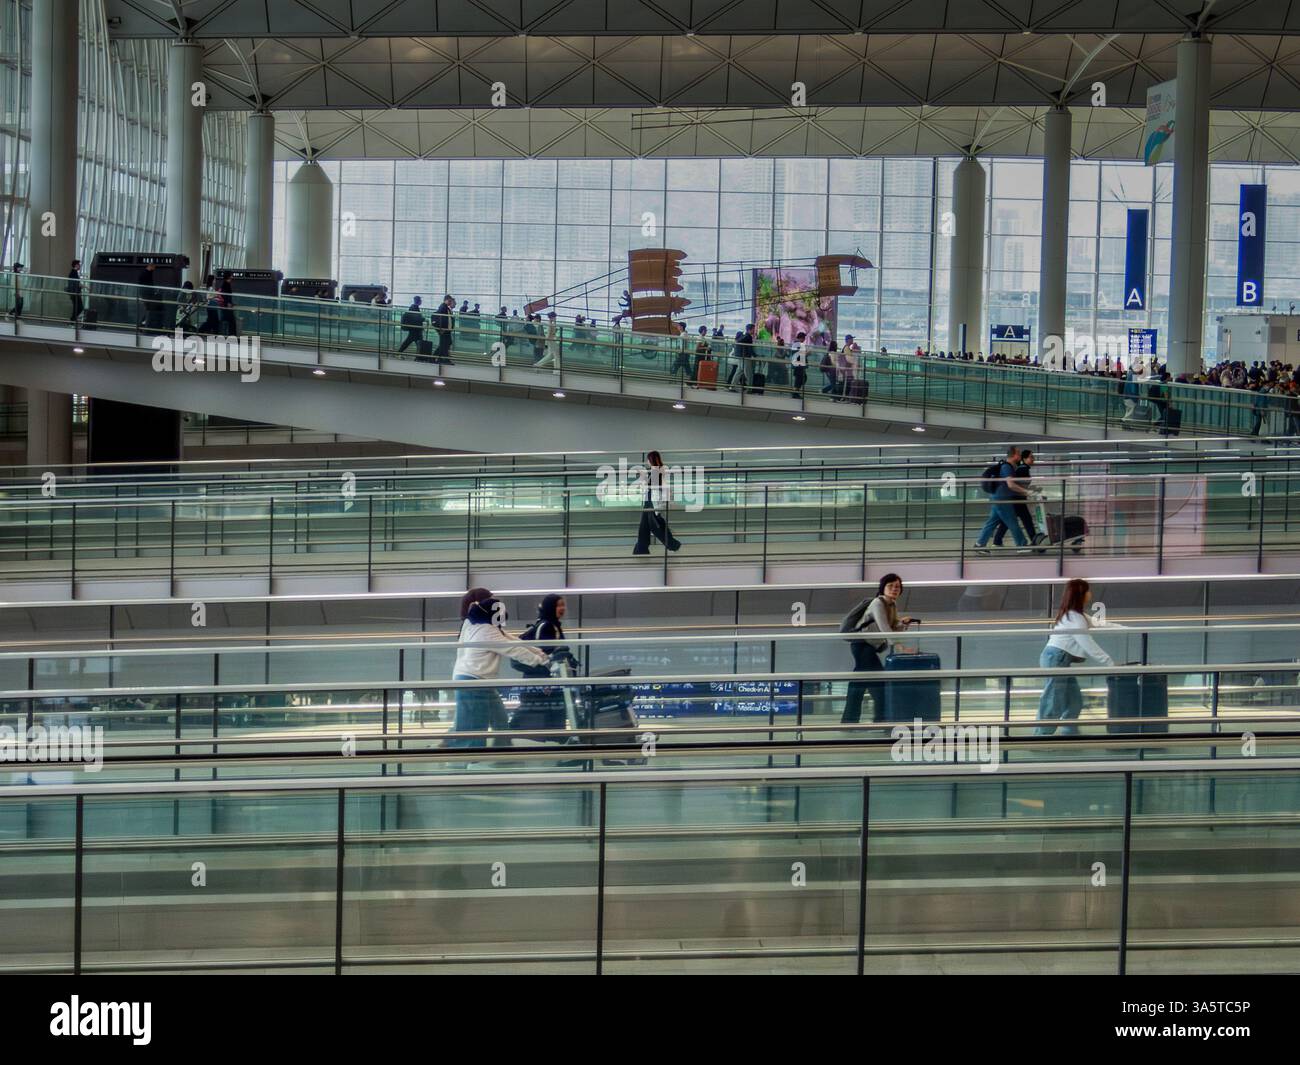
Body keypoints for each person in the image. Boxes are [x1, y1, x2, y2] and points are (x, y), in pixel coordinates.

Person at [447, 588, 549, 749]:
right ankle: (470, 762)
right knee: (475, 725)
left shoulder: (480, 624)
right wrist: (540, 661)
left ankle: (503, 753)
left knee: (498, 720)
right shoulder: (484, 630)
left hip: (480, 680)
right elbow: (512, 649)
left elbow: (514, 641)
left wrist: (541, 654)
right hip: (473, 680)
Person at [1035, 578, 1116, 736]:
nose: (1090, 593)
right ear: (1082, 594)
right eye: (1088, 590)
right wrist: (1110, 663)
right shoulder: (1075, 619)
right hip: (1056, 659)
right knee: (1053, 699)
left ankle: (1069, 734)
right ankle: (1041, 737)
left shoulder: (1077, 616)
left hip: (1058, 659)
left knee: (1074, 701)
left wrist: (1129, 628)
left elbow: (1101, 623)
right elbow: (1089, 645)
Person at [839, 573, 915, 724]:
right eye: (890, 586)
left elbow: (892, 628)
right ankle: (881, 720)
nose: (894, 589)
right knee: (880, 683)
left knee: (858, 685)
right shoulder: (877, 603)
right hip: (862, 645)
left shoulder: (891, 605)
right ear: (882, 588)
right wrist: (899, 646)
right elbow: (884, 628)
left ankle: (849, 722)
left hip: (868, 647)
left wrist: (903, 624)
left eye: (897, 587)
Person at [513, 594, 578, 734]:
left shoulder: (553, 625)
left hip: (546, 680)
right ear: (550, 607)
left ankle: (553, 742)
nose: (563, 608)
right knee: (545, 717)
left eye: (563, 605)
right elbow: (542, 655)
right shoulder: (545, 626)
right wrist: (547, 680)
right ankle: (548, 743)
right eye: (559, 605)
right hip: (541, 681)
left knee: (552, 714)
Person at [974, 445, 1030, 551]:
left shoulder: (1009, 466)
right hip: (1002, 498)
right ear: (1013, 455)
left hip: (998, 497)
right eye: (1018, 453)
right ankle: (1022, 545)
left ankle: (979, 544)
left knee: (992, 522)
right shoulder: (1007, 467)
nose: (1020, 455)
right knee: (1012, 521)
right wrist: (1027, 491)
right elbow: (1011, 485)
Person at [633, 450, 681, 555]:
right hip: (649, 501)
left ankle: (673, 545)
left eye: (648, 459)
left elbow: (651, 488)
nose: (647, 462)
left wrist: (643, 477)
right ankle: (641, 549)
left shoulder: (656, 471)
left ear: (650, 460)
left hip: (652, 502)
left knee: (655, 526)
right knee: (644, 527)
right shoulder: (657, 471)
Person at [991, 448, 1040, 547]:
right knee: (1026, 520)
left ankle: (997, 540)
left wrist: (1031, 489)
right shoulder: (1023, 469)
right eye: (1031, 457)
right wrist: (1028, 491)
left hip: (1016, 497)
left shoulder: (1023, 468)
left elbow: (1020, 484)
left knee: (1009, 520)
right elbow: (1016, 484)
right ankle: (1033, 541)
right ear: (1025, 458)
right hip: (1017, 498)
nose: (1033, 459)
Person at [432, 296, 454, 364]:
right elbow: (439, 318)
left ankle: (436, 358)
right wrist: (440, 329)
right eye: (449, 301)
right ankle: (445, 360)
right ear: (446, 300)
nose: (450, 302)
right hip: (444, 330)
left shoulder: (446, 307)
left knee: (445, 344)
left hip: (446, 330)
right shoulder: (443, 307)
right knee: (444, 345)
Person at [218, 272, 238, 336]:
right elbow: (226, 296)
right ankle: (232, 336)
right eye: (231, 276)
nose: (232, 277)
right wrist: (229, 304)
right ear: (229, 276)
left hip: (225, 306)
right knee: (232, 322)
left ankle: (228, 336)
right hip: (227, 306)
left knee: (228, 321)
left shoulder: (225, 284)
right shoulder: (227, 284)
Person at [790, 331, 808, 398]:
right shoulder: (797, 344)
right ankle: (795, 393)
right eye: (804, 338)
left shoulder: (797, 344)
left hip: (798, 365)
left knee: (801, 378)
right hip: (798, 365)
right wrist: (807, 353)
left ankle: (796, 392)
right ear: (801, 338)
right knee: (799, 379)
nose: (804, 339)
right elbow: (799, 355)